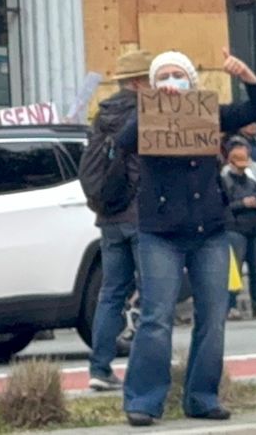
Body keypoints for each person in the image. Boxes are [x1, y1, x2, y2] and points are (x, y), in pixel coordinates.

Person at [114, 50, 256, 426]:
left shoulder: (209, 113)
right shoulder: (146, 118)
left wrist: (247, 76)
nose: (172, 82)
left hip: (210, 231)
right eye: (163, 76)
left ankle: (202, 396)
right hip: (160, 233)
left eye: (177, 75)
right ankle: (144, 400)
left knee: (214, 316)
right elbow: (124, 140)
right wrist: (153, 108)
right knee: (156, 317)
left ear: (191, 80)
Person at [84, 49, 152, 393]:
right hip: (140, 213)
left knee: (111, 293)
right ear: (139, 82)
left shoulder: (102, 114)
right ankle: (148, 367)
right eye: (150, 78)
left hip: (108, 214)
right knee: (152, 292)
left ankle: (100, 367)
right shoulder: (146, 111)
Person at [223, 139, 256, 319]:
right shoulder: (225, 182)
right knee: (234, 270)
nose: (241, 169)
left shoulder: (251, 181)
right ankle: (230, 306)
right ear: (231, 163)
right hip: (236, 229)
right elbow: (224, 206)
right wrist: (243, 203)